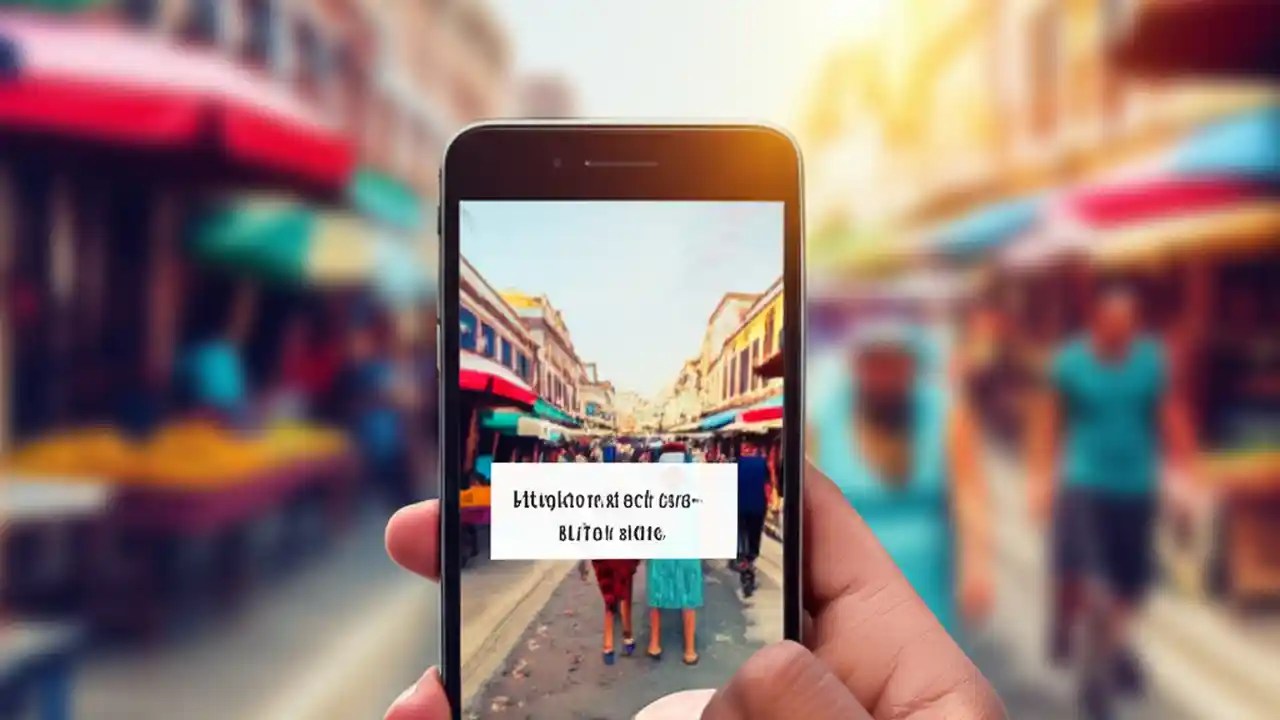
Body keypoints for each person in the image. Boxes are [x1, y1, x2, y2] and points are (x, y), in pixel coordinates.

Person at [380, 462, 1006, 719]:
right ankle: (661, 647)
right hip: (647, 560)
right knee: (659, 607)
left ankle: (631, 640)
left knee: (631, 606)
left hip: (628, 561)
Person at [1028, 283, 1196, 704]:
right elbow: (1048, 421)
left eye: (1129, 326)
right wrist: (1040, 479)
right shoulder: (1070, 363)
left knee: (1128, 583)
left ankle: (1113, 647)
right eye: (1113, 326)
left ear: (1136, 326)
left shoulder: (1150, 362)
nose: (1121, 334)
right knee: (1085, 576)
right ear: (1097, 324)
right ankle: (1077, 642)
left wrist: (1184, 475)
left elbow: (1170, 414)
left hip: (1136, 487)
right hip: (1084, 483)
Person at [808, 321, 992, 638]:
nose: (885, 377)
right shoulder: (825, 418)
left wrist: (978, 565)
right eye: (876, 366)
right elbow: (808, 502)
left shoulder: (945, 414)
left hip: (927, 579)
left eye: (895, 367)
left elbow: (969, 493)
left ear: (911, 369)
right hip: (850, 586)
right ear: (859, 368)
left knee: (931, 670)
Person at [645, 442, 703, 665]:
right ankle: (689, 649)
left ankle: (654, 643)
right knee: (687, 595)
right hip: (686, 545)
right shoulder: (692, 486)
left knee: (657, 594)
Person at [735, 439, 770, 597]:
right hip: (758, 508)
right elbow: (768, 486)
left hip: (741, 508)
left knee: (742, 536)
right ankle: (750, 560)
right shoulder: (763, 463)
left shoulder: (737, 463)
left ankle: (744, 562)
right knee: (754, 538)